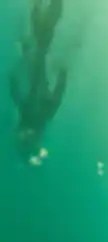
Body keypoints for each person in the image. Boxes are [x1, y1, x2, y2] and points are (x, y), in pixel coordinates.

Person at [10, 0, 66, 161]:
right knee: (42, 41)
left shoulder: (30, 115)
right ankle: (40, 8)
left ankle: (39, 8)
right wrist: (63, 75)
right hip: (40, 68)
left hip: (37, 68)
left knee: (40, 42)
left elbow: (18, 97)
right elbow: (57, 96)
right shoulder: (42, 115)